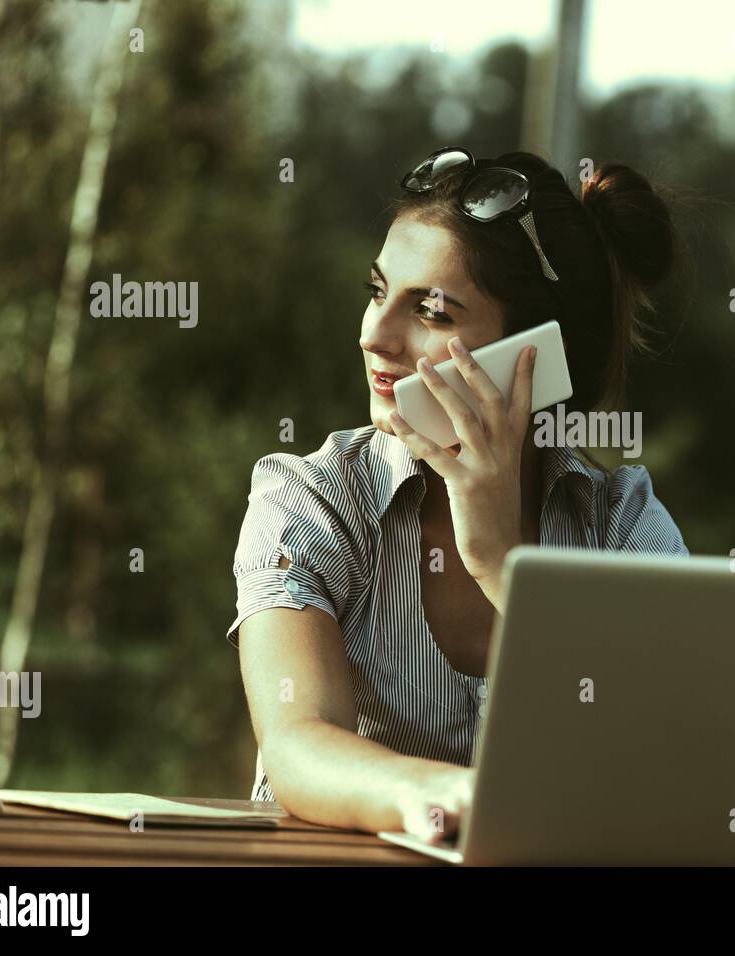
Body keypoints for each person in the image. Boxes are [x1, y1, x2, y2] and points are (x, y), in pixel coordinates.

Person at [225, 147, 688, 841]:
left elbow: (664, 754)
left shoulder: (622, 525)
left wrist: (503, 561)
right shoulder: (310, 500)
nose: (374, 336)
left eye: (432, 312)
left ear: (535, 356)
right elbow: (297, 742)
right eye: (377, 290)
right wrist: (446, 795)